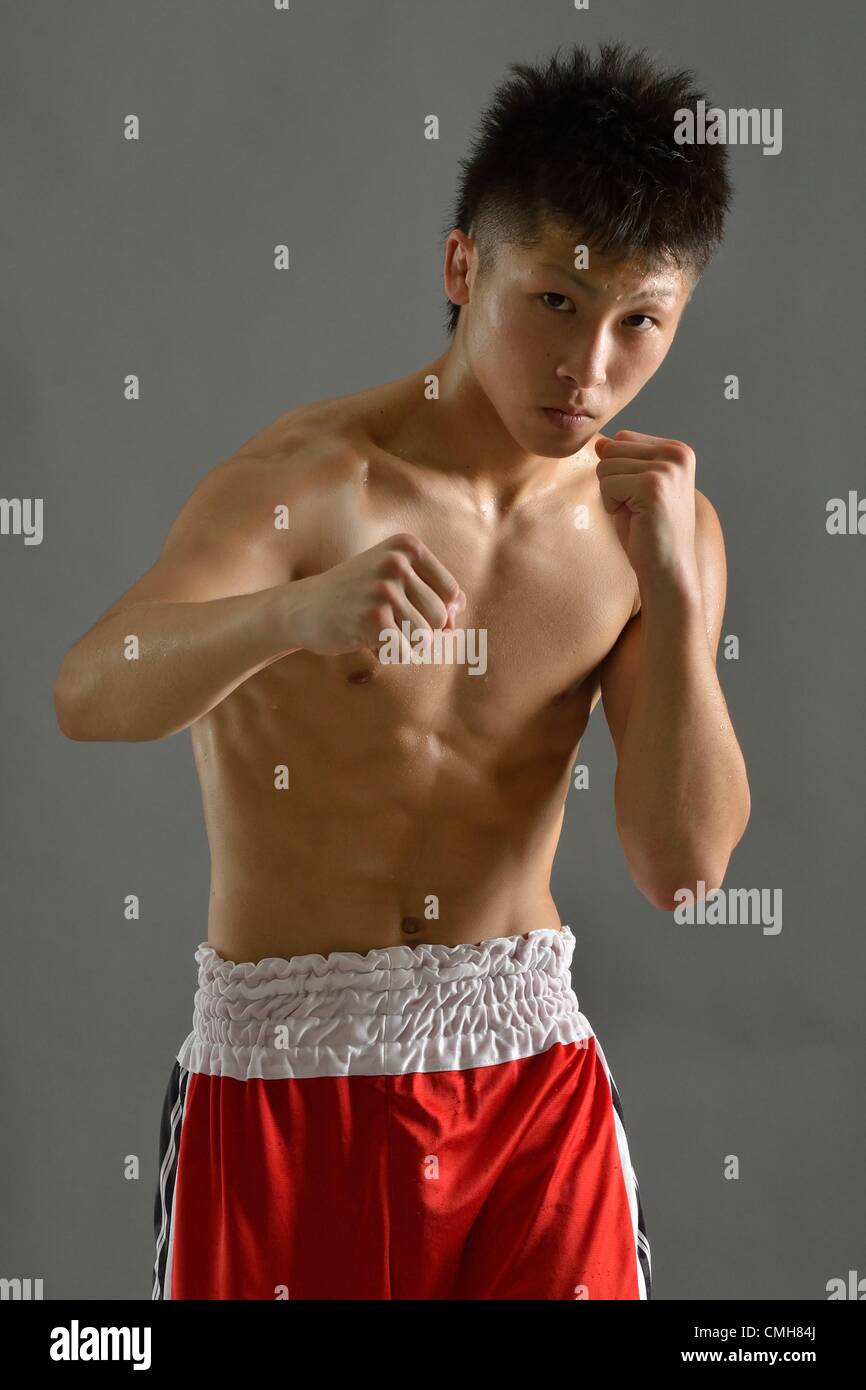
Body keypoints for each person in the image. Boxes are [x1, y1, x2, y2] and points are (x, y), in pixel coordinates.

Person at [54, 40, 751, 1300]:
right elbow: (92, 687)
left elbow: (683, 865)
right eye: (553, 303)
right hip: (285, 1084)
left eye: (638, 323)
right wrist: (292, 616)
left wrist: (686, 598)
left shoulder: (651, 527)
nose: (589, 371)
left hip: (531, 1083)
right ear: (461, 266)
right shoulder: (306, 483)